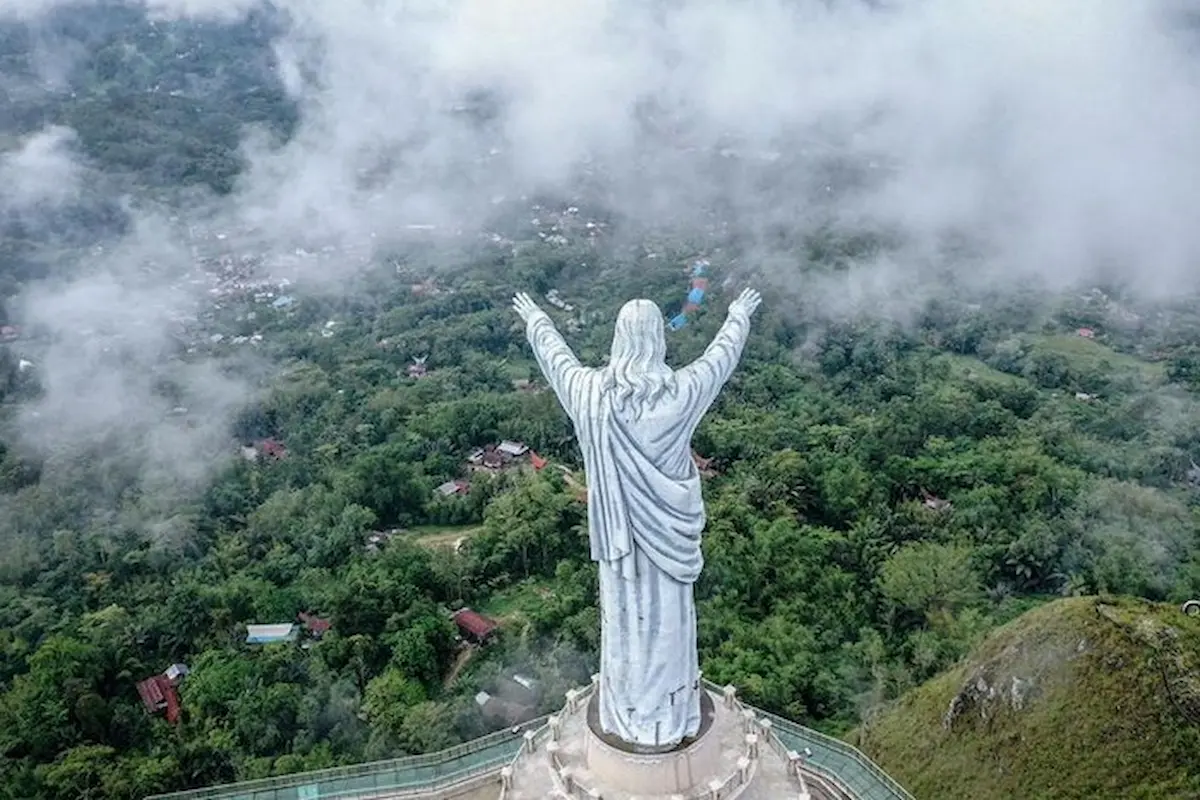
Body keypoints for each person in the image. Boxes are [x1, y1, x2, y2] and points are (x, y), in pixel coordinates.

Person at [514, 288, 761, 750]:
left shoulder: (590, 394)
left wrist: (537, 320)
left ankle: (627, 713)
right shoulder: (682, 393)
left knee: (626, 628)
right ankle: (668, 716)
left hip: (621, 546)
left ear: (618, 339)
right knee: (669, 631)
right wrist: (738, 315)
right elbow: (720, 359)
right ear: (658, 340)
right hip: (669, 543)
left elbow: (557, 360)